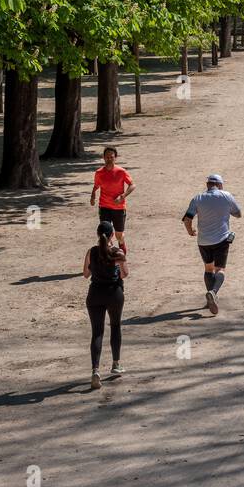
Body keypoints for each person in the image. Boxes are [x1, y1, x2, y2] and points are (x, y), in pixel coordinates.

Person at [182, 174, 242, 315]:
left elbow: (187, 219)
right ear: (220, 185)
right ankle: (213, 292)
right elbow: (238, 214)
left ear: (208, 184)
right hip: (221, 239)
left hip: (203, 241)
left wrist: (190, 231)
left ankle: (209, 300)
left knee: (208, 268)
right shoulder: (226, 195)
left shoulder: (198, 198)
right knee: (220, 269)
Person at [82, 221, 128, 390]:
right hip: (114, 293)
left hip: (94, 294)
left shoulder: (91, 252)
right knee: (115, 326)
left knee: (97, 332)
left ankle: (95, 370)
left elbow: (86, 274)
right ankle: (116, 363)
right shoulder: (117, 252)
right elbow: (125, 274)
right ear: (111, 235)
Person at [90, 146, 134, 255]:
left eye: (111, 157)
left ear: (115, 157)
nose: (109, 159)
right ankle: (107, 257)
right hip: (104, 206)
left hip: (118, 208)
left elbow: (132, 185)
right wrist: (93, 195)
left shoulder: (121, 172)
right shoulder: (99, 172)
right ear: (103, 158)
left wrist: (122, 196)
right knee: (105, 235)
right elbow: (96, 185)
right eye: (107, 157)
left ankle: (122, 251)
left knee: (119, 235)